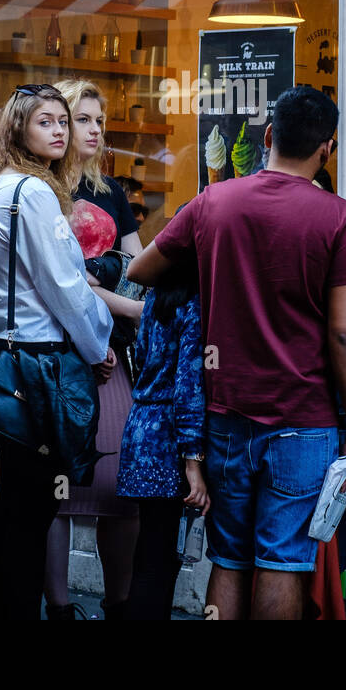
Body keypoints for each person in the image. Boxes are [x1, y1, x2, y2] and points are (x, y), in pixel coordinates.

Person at [129, 85, 346, 621]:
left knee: (230, 558)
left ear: (268, 137)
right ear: (327, 148)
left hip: (224, 416)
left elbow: (139, 271)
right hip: (303, 421)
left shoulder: (212, 203)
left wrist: (218, 266)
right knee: (283, 561)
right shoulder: (341, 219)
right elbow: (345, 334)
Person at [0, 82, 112, 620]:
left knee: (15, 508)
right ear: (20, 129)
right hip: (38, 366)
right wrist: (98, 345)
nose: (60, 131)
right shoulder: (34, 192)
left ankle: (10, 610)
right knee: (30, 507)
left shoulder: (9, 185)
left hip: (10, 361)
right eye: (45, 122)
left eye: (62, 122)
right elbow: (66, 288)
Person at [43, 78, 143, 620]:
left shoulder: (110, 192)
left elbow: (138, 267)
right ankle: (59, 608)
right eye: (82, 119)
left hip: (113, 360)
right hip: (58, 359)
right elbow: (57, 284)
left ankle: (120, 604)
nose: (93, 129)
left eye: (96, 120)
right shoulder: (42, 190)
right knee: (58, 494)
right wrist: (120, 303)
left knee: (121, 490)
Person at [116, 238, 208, 620]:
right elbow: (189, 386)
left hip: (140, 428)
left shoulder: (155, 299)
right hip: (167, 438)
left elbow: (140, 357)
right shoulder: (195, 305)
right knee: (160, 554)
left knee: (150, 547)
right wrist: (193, 461)